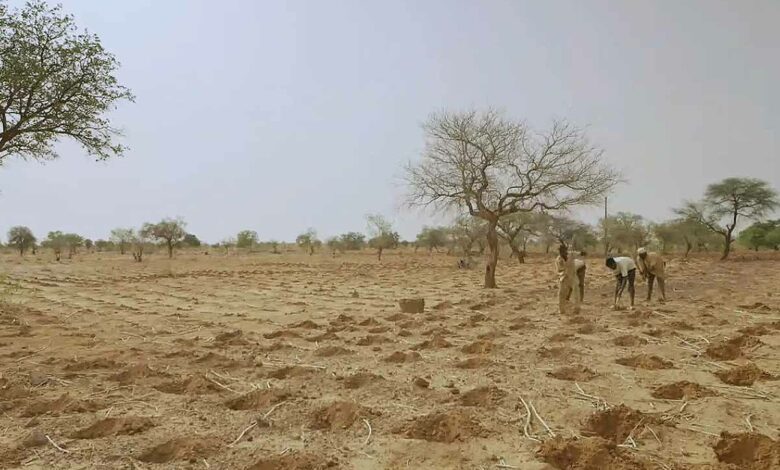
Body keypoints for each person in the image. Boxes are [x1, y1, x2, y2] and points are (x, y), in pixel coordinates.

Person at [555, 243, 581, 314]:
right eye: (560, 251)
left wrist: (583, 253)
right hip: (564, 278)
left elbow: (579, 254)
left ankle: (577, 308)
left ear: (565, 250)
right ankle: (561, 310)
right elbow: (559, 270)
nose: (561, 252)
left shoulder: (571, 254)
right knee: (561, 294)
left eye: (563, 250)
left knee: (576, 292)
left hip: (573, 276)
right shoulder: (558, 259)